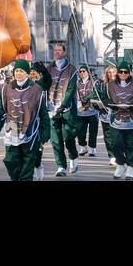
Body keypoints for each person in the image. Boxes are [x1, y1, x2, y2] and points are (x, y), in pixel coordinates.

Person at [0, 58, 51, 181]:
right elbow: (0, 112)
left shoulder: (36, 89)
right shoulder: (6, 89)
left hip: (31, 133)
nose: (18, 73)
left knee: (27, 168)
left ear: (27, 73)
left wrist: (45, 133)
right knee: (10, 161)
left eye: (22, 71)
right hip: (11, 132)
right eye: (17, 71)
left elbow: (43, 114)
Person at [45, 42, 80, 176]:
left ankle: (73, 156)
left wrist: (63, 105)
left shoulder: (71, 69)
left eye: (60, 50)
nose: (57, 52)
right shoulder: (49, 69)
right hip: (52, 109)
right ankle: (61, 166)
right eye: (55, 50)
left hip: (66, 110)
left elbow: (71, 90)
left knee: (68, 137)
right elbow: (44, 86)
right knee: (56, 140)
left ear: (64, 52)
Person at [72, 64, 100, 157]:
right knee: (80, 131)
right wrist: (79, 104)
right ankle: (83, 147)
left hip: (92, 110)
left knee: (93, 131)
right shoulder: (77, 83)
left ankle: (92, 149)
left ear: (88, 72)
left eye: (84, 71)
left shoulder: (94, 82)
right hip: (81, 111)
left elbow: (95, 94)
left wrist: (87, 99)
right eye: (80, 71)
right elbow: (75, 95)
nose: (82, 73)